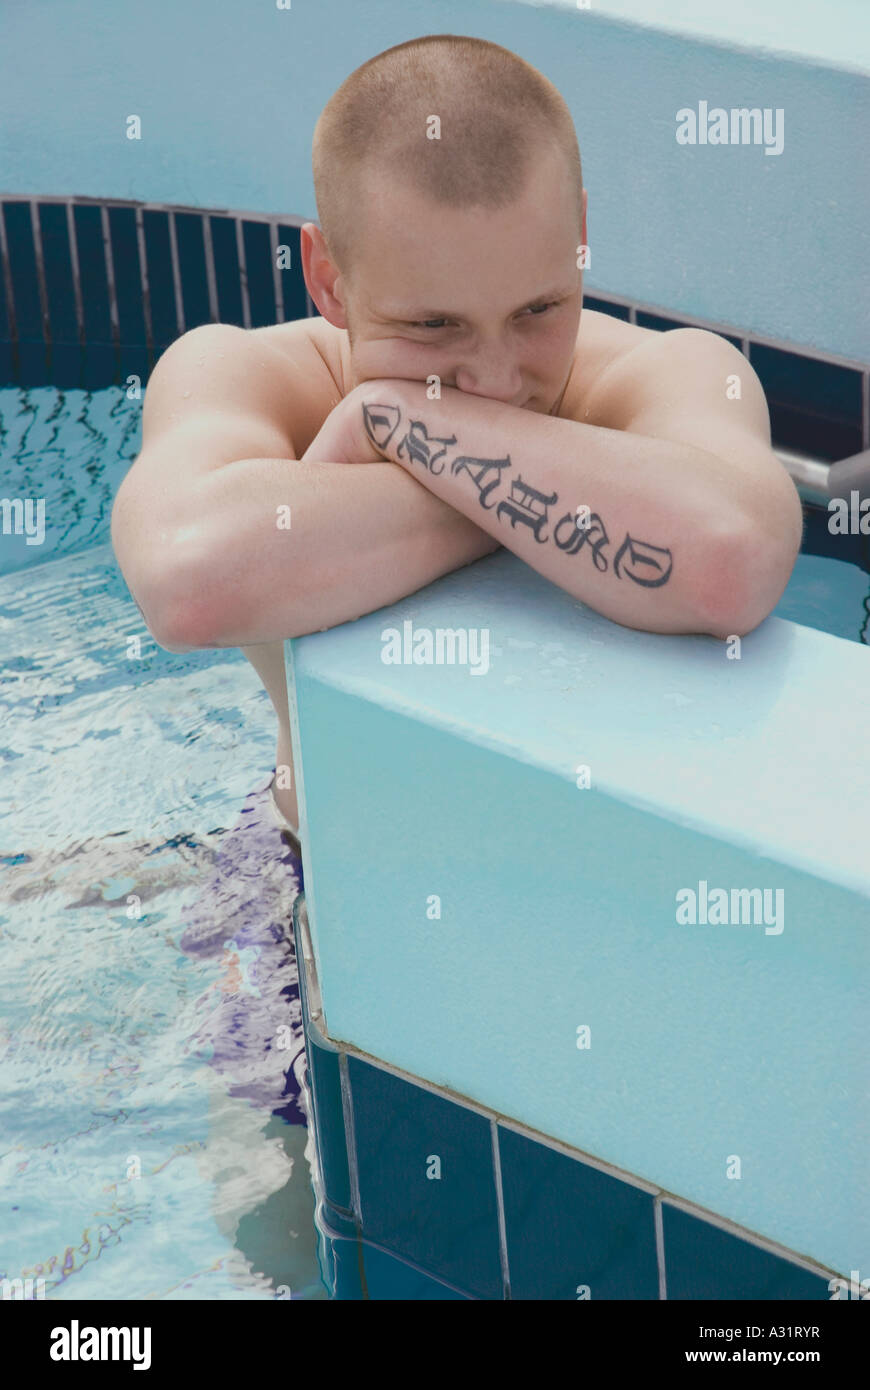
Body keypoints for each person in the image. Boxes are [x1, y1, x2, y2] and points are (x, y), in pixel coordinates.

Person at [111, 34, 803, 840]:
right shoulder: (239, 372)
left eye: (537, 311)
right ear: (329, 279)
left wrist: (403, 422)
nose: (496, 382)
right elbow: (191, 582)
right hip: (297, 885)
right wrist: (516, 490)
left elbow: (729, 565)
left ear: (579, 234)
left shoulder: (669, 373)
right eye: (434, 326)